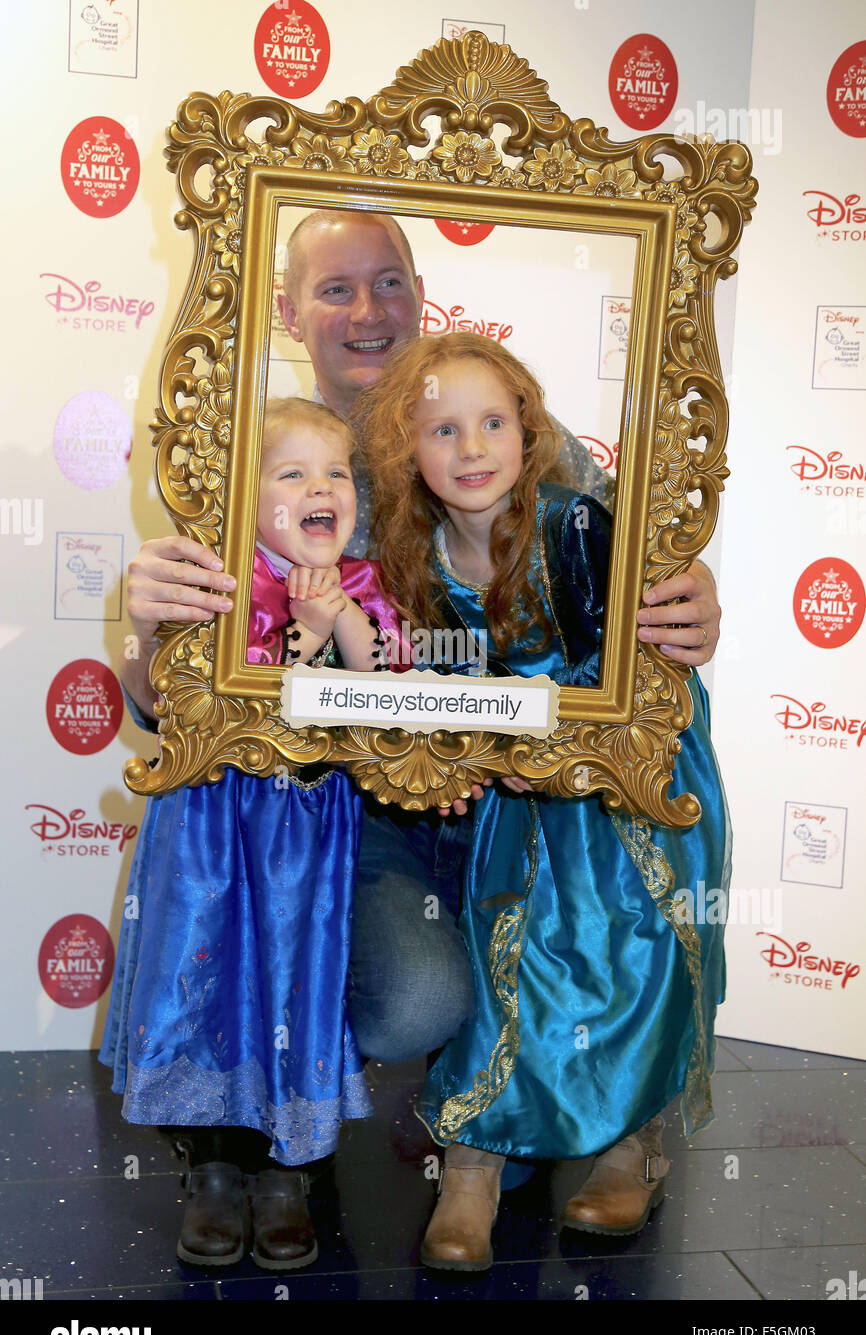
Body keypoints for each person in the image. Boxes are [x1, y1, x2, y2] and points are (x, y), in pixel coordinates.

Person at [118, 210, 724, 1246]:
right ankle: (256, 1127)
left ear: (420, 289)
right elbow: (178, 697)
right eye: (335, 287)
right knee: (410, 1003)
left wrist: (685, 585)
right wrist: (148, 634)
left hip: (526, 802)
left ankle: (607, 1126)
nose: (367, 310)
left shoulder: (520, 437)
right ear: (286, 310)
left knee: (609, 903)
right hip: (361, 820)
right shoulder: (259, 461)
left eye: (387, 281)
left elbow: (633, 559)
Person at [357, 333, 730, 1272]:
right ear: (408, 453)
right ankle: (476, 1156)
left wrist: (561, 740)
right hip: (514, 790)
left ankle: (625, 1143)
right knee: (510, 949)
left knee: (625, 945)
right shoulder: (416, 554)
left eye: (494, 423)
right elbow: (437, 683)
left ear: (531, 434)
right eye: (443, 429)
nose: (473, 448)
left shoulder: (571, 522)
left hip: (628, 779)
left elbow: (629, 661)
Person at [101, 397, 404, 1270]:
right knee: (207, 976)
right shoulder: (223, 579)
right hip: (209, 827)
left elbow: (380, 690)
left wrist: (336, 616)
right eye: (292, 472)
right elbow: (199, 701)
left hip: (307, 837)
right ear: (245, 498)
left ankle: (287, 1170)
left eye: (337, 473)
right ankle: (213, 1167)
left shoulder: (365, 586)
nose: (322, 488)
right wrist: (294, 632)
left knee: (292, 980)